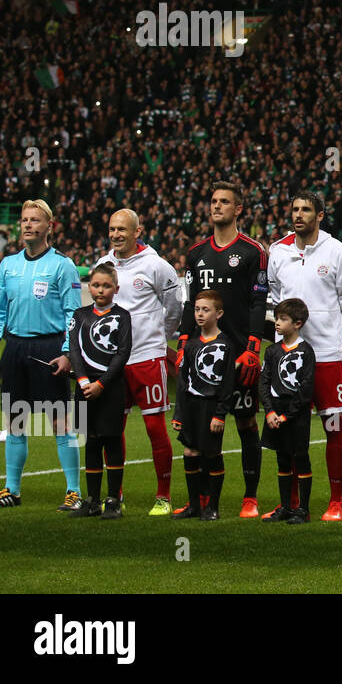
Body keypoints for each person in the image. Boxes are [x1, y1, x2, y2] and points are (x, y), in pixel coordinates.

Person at [267, 190, 342, 521]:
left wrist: (335, 342)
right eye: (294, 209)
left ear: (319, 215)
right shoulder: (277, 252)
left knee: (333, 425)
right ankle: (291, 503)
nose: (298, 214)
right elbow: (276, 299)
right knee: (289, 429)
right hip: (288, 360)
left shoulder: (339, 253)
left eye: (306, 209)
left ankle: (336, 501)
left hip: (325, 357)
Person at [178, 182, 270, 518]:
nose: (217, 206)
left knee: (246, 423)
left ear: (238, 209)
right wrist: (183, 341)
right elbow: (190, 303)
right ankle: (202, 499)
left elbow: (258, 302)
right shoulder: (196, 253)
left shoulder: (252, 251)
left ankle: (250, 497)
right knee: (201, 425)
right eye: (214, 201)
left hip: (238, 353)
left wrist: (253, 346)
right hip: (203, 354)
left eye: (225, 202)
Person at [0, 200, 83, 510]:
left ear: (48, 226)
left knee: (61, 423)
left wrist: (68, 352)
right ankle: (12, 489)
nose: (28, 225)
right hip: (14, 348)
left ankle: (73, 491)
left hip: (49, 348)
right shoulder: (8, 265)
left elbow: (73, 314)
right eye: (24, 220)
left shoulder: (62, 265)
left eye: (35, 220)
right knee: (15, 422)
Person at [96, 208, 183, 516]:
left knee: (154, 428)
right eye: (112, 229)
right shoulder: (102, 266)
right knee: (111, 429)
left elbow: (174, 308)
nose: (116, 234)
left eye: (122, 229)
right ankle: (115, 496)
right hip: (112, 365)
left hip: (146, 359)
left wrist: (158, 338)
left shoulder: (157, 266)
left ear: (137, 231)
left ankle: (163, 496)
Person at [67, 262, 133, 520]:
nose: (100, 290)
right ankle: (93, 500)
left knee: (112, 441)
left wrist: (101, 384)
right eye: (96, 285)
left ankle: (113, 500)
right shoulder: (79, 315)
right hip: (84, 388)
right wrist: (84, 381)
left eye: (106, 285)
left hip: (111, 387)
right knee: (91, 441)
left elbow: (122, 353)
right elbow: (74, 350)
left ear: (116, 288)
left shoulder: (122, 316)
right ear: (89, 287)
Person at [171, 290, 237, 521]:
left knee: (211, 453)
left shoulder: (225, 345)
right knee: (190, 451)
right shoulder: (191, 344)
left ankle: (213, 506)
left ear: (218, 313)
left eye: (205, 310)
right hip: (191, 406)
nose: (200, 314)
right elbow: (183, 382)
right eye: (197, 309)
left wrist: (220, 413)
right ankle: (194, 505)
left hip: (211, 407)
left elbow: (228, 383)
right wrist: (179, 413)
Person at [259, 298, 316, 524]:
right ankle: (285, 506)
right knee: (282, 459)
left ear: (297, 324)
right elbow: (264, 382)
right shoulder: (272, 351)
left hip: (295, 414)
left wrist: (287, 415)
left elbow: (306, 388)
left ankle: (303, 509)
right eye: (277, 317)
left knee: (300, 457)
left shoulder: (306, 351)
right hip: (275, 412)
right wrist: (270, 412)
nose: (277, 322)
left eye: (283, 319)